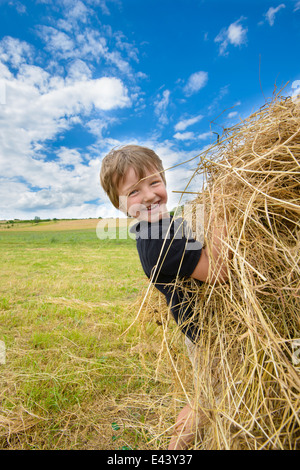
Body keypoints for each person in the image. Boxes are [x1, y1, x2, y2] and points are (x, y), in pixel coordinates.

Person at [100, 144, 229, 450]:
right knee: (207, 399)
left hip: (215, 322)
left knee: (207, 393)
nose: (148, 195)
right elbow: (220, 271)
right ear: (119, 204)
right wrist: (224, 210)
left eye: (154, 183)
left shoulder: (164, 225)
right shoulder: (158, 242)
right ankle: (174, 449)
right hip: (209, 332)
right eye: (133, 192)